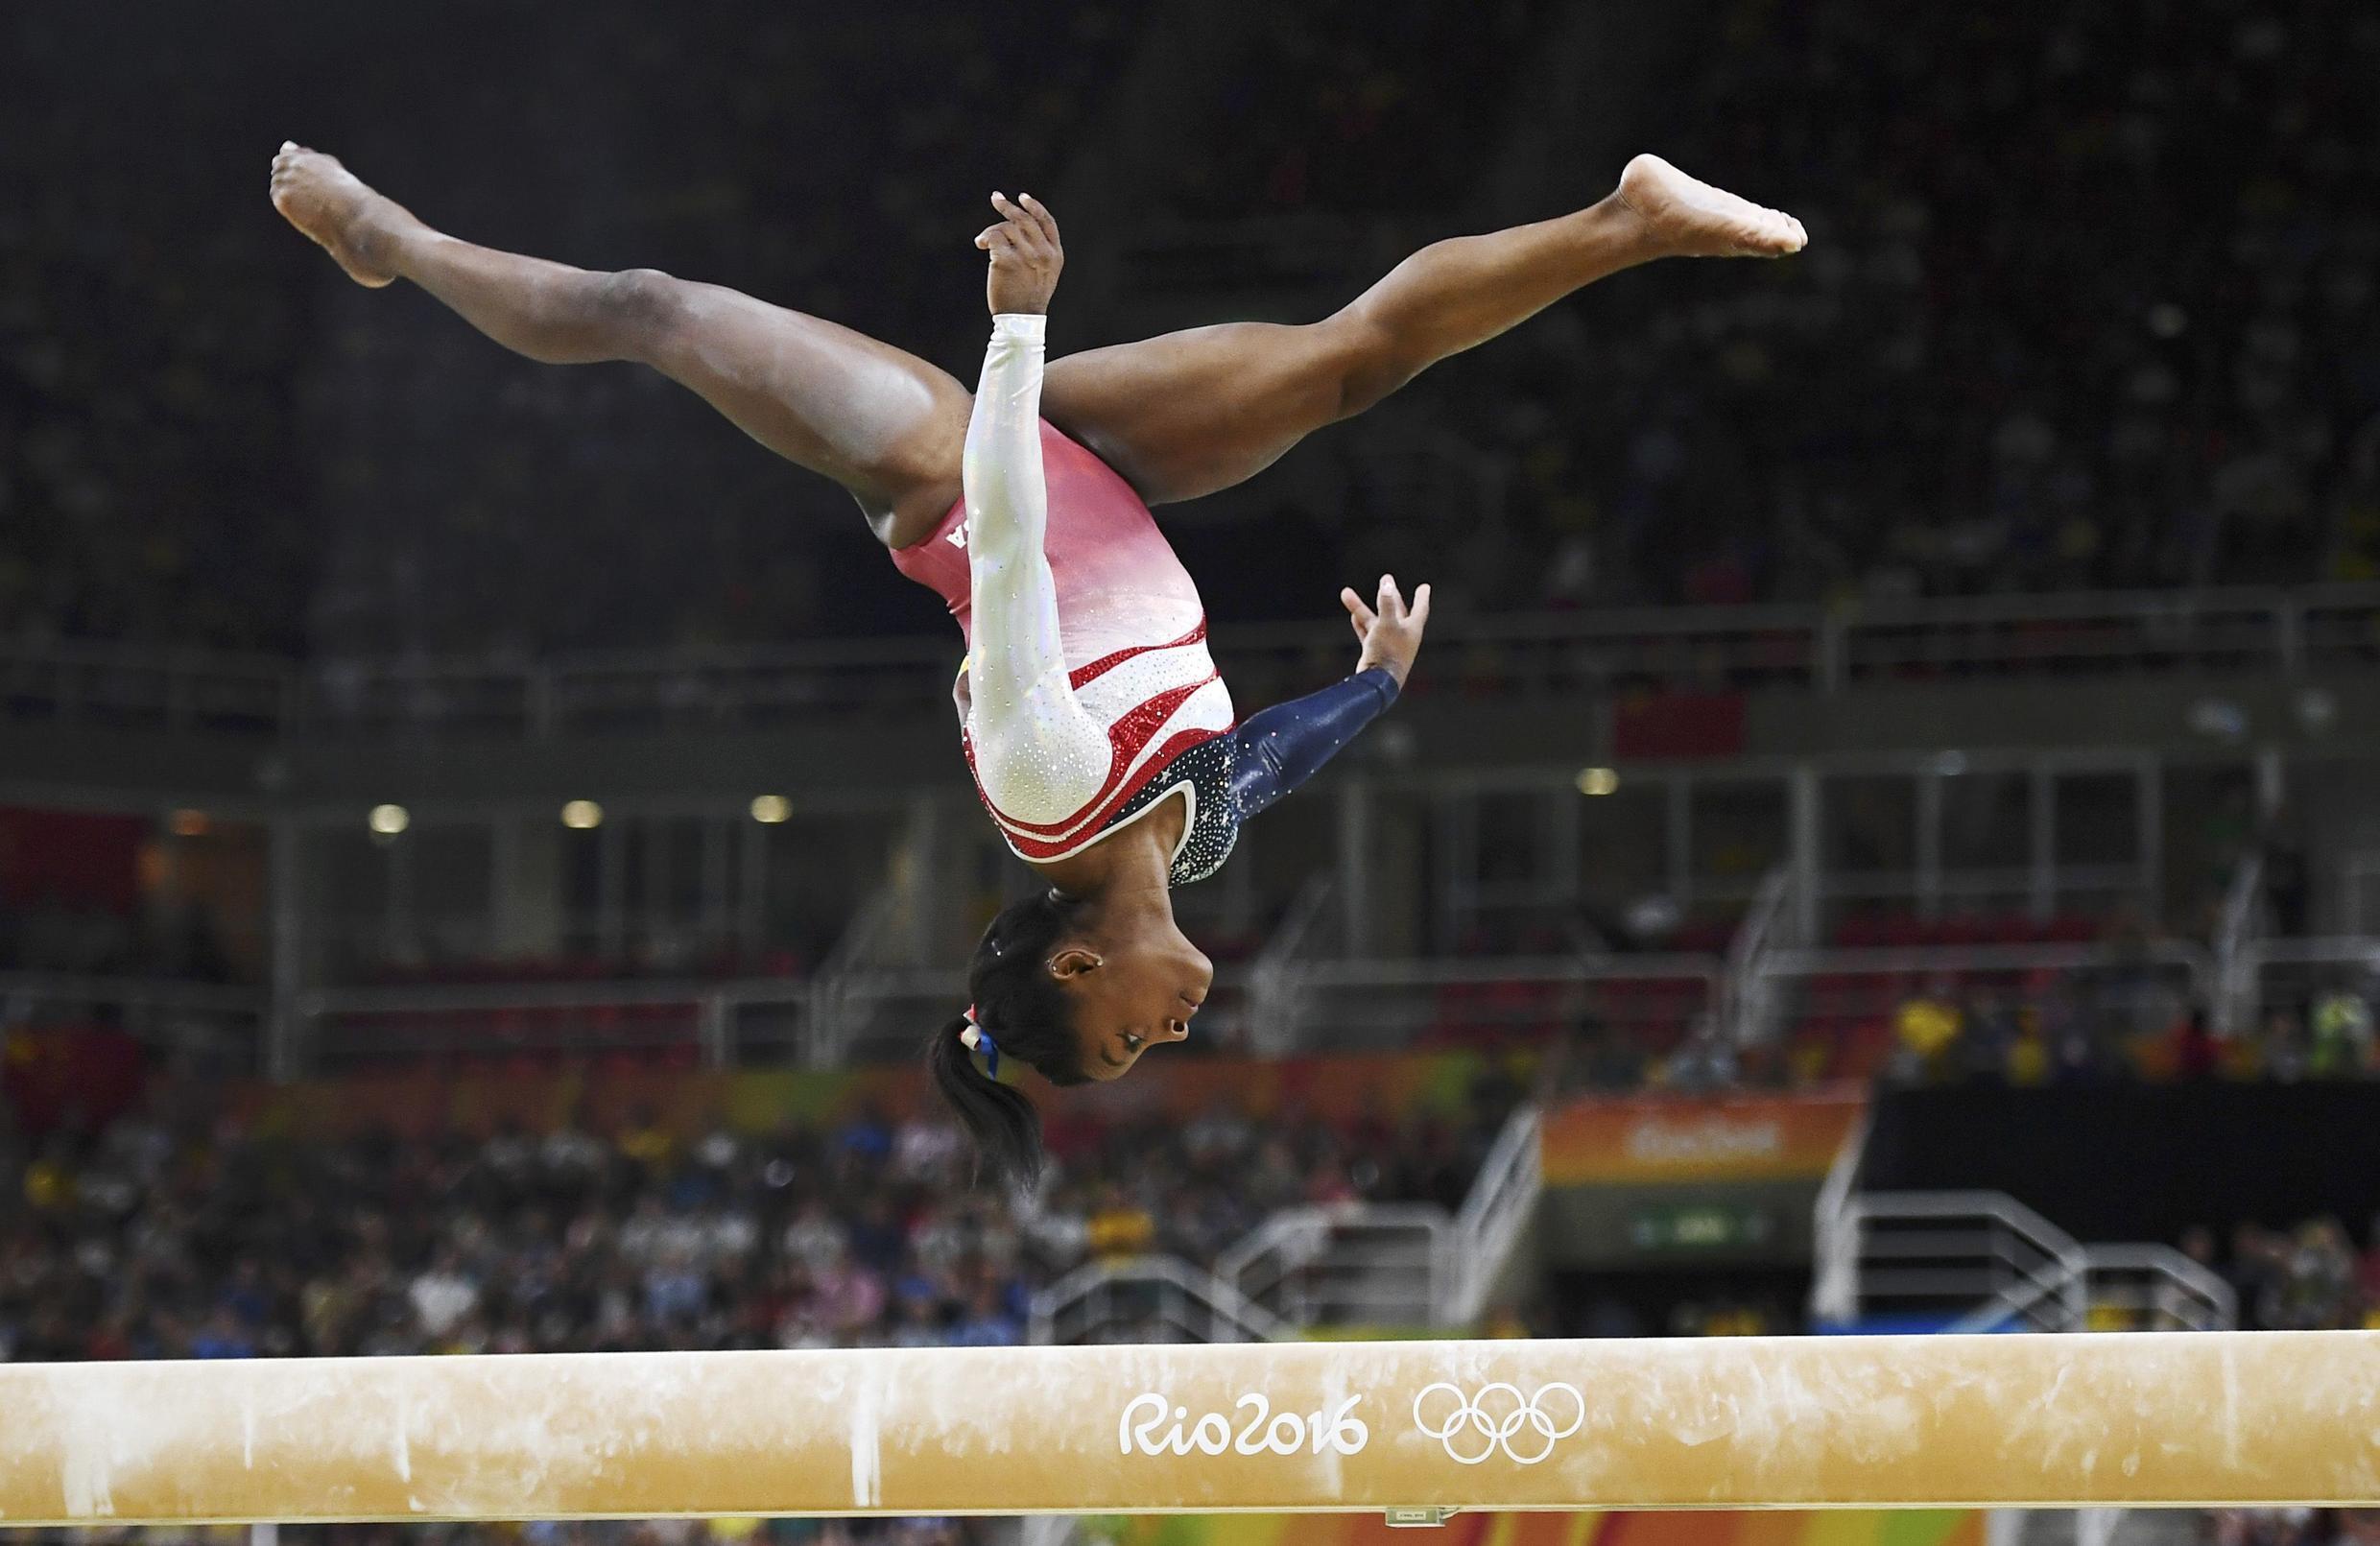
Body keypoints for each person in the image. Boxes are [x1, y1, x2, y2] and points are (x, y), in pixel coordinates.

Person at [271, 145, 1804, 1183]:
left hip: (954, 471)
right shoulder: (1187, 835)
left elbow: (1003, 547)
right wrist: (1381, 684)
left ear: (1076, 961)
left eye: (1132, 1029)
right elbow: (1272, 760)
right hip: (1101, 467)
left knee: (655, 312)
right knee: (1352, 362)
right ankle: (1631, 220)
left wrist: (1015, 335)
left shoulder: (1046, 787)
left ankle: (388, 239)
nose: (1175, 1027)